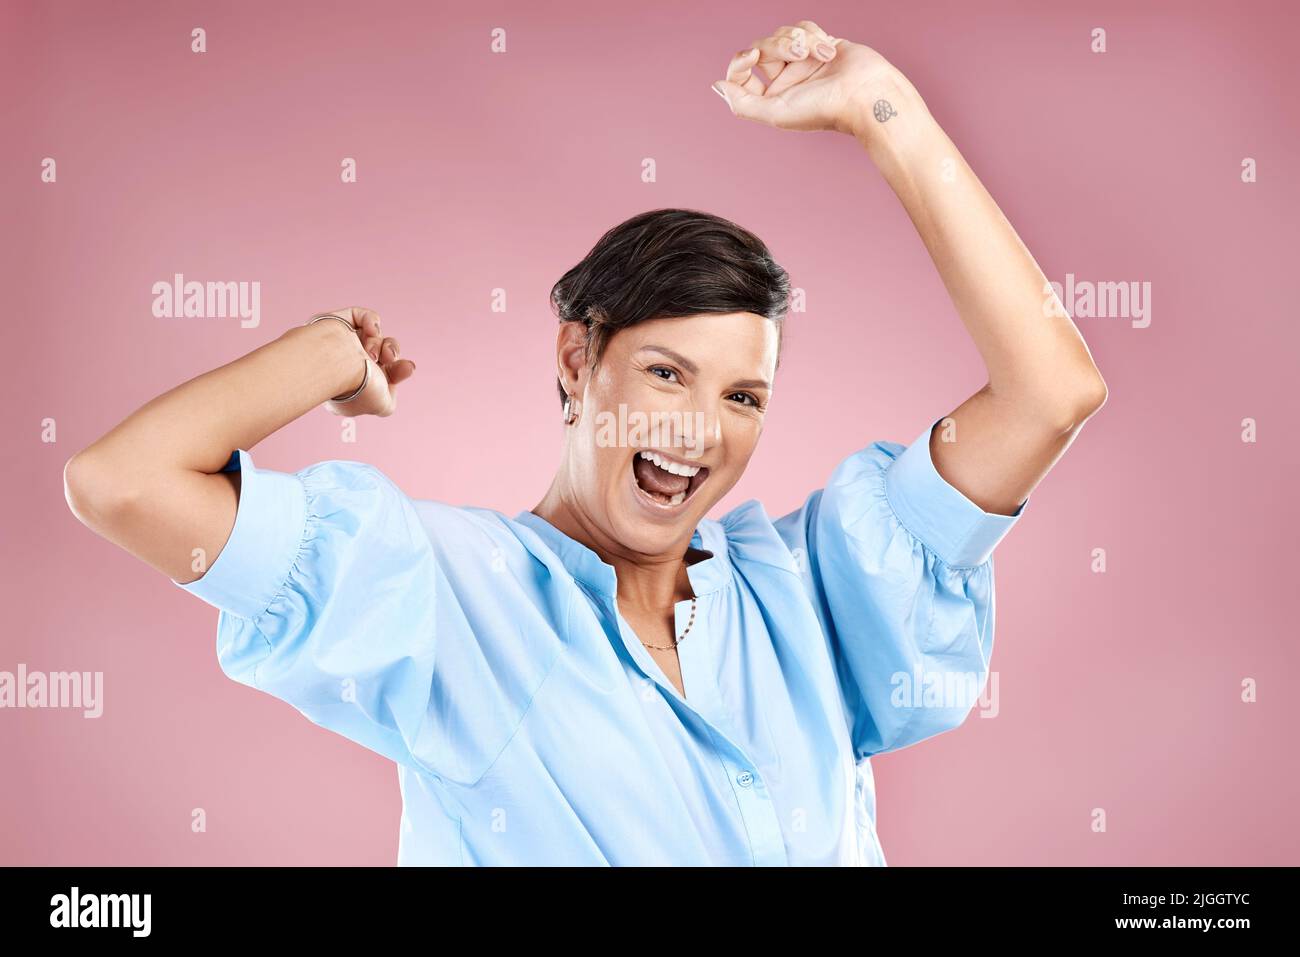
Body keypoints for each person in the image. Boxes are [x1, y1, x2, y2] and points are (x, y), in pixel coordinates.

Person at [64, 20, 1106, 865]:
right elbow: (120, 483)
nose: (700, 433)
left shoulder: (816, 587)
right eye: (665, 375)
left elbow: (1051, 391)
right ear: (577, 361)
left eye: (743, 397)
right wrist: (326, 353)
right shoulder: (444, 602)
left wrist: (883, 109)